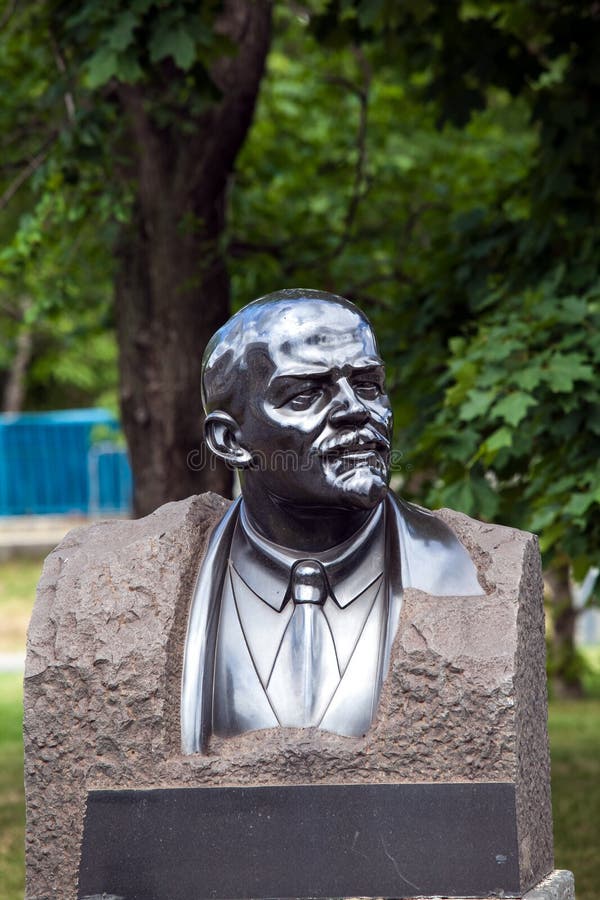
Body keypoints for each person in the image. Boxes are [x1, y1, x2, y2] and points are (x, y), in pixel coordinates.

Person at [181, 289, 482, 753]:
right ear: (228, 440)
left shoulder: (452, 572)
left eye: (367, 385)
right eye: (305, 394)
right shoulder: (166, 588)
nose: (356, 411)